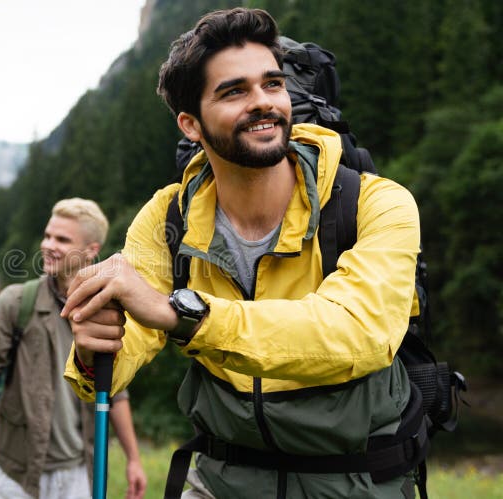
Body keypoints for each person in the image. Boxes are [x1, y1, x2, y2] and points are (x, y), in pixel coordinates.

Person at [60, 7, 421, 499]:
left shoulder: (373, 202)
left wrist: (185, 316)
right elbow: (131, 337)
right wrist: (91, 348)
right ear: (190, 123)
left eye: (272, 85)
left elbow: (357, 333)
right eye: (234, 91)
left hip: (354, 481)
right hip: (220, 477)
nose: (264, 103)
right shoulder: (170, 215)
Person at [0, 198, 147, 499]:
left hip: (78, 469)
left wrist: (134, 459)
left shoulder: (107, 310)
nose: (48, 244)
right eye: (48, 235)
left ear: (91, 250)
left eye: (62, 239)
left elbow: (117, 390)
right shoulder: (16, 302)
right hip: (18, 469)